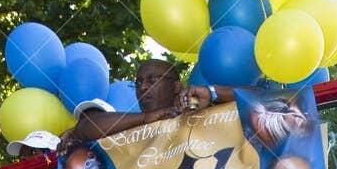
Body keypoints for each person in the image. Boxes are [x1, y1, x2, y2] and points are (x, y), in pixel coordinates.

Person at [64, 59, 233, 149]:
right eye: (138, 83)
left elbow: (248, 96)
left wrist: (211, 93)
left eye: (153, 79)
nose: (143, 87)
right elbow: (85, 127)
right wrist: (145, 119)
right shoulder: (134, 124)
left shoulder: (196, 107)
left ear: (176, 86)